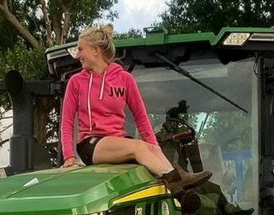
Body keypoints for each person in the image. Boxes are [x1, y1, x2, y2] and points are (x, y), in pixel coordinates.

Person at [60, 24, 211, 196]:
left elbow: (141, 117)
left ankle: (184, 198)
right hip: (91, 144)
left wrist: (155, 148)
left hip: (118, 141)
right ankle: (177, 180)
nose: (78, 55)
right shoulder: (76, 82)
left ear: (95, 50)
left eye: (80, 49)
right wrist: (69, 157)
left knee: (149, 148)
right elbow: (67, 121)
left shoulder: (125, 79)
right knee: (139, 147)